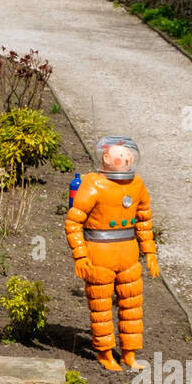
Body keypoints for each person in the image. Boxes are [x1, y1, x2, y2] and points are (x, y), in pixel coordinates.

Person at [64, 136, 159, 371]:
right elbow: (74, 222)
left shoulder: (136, 184)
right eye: (121, 156)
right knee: (101, 306)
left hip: (128, 253)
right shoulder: (94, 184)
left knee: (132, 305)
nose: (126, 160)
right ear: (106, 158)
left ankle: (129, 353)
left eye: (128, 156)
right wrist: (81, 255)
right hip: (99, 255)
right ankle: (105, 353)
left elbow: (144, 219)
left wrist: (150, 251)